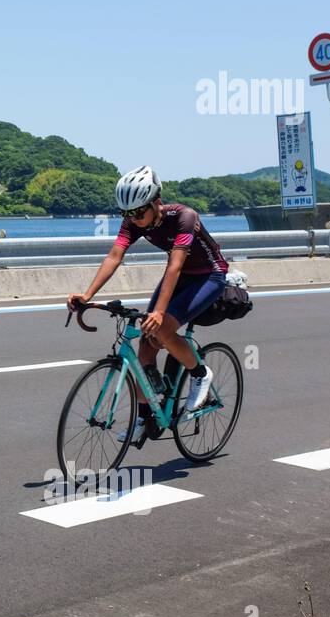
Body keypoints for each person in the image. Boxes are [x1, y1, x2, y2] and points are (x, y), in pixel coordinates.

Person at [66, 166, 227, 442]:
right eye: (127, 214)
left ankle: (200, 373)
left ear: (156, 202)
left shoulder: (184, 218)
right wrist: (87, 296)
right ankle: (144, 417)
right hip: (179, 277)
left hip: (208, 276)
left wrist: (160, 312)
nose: (134, 219)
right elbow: (115, 256)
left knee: (161, 329)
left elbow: (175, 266)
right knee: (144, 347)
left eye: (139, 213)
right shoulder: (133, 219)